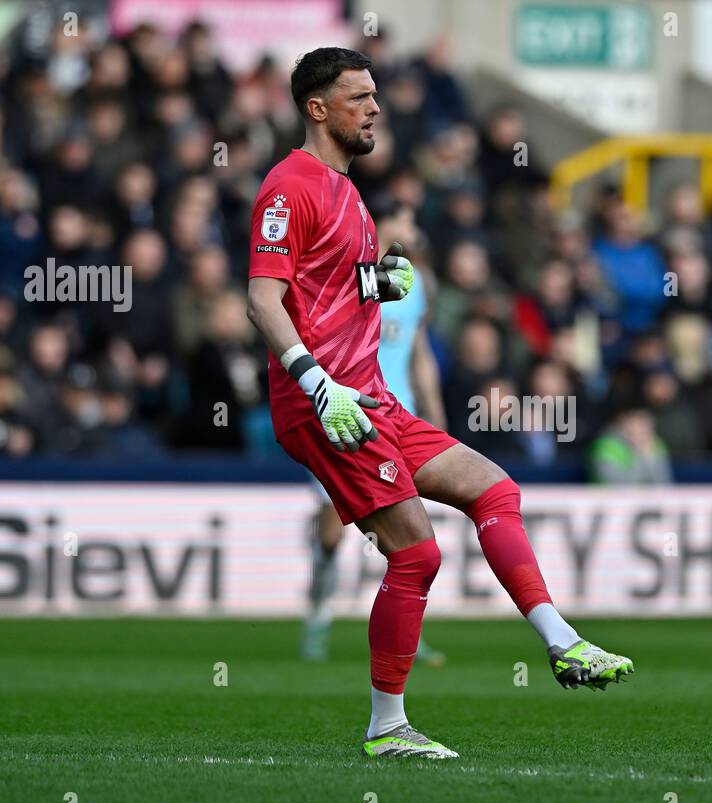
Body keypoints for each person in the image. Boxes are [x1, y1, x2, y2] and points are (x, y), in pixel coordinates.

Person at [246, 48, 633, 760]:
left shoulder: (348, 194)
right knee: (417, 556)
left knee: (495, 490)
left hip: (373, 398)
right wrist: (313, 379)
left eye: (376, 96)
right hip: (330, 404)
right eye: (359, 97)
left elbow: (332, 291)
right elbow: (262, 298)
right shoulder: (288, 186)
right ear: (317, 108)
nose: (376, 108)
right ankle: (386, 727)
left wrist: (380, 281)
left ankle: (562, 642)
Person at [300, 200, 447, 667]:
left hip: (396, 414)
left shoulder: (416, 284)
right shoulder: (349, 274)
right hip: (347, 411)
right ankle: (317, 616)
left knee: (404, 537)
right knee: (332, 533)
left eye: (413, 220)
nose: (410, 227)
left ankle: (408, 633)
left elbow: (419, 351)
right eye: (402, 219)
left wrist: (434, 411)